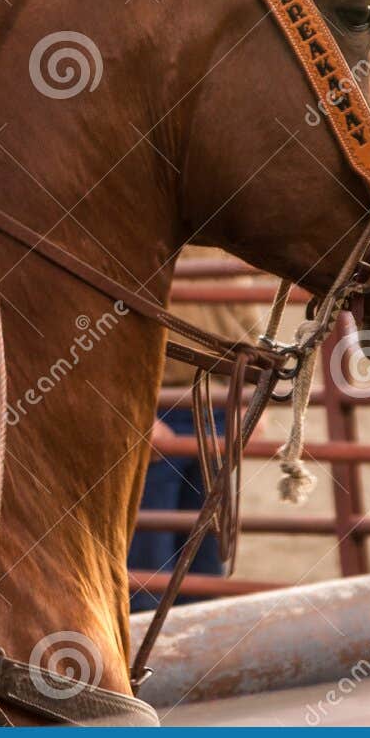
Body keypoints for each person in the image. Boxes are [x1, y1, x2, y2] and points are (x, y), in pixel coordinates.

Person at [129, 248, 263, 609]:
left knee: (204, 549)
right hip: (160, 402)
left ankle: (201, 649)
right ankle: (149, 656)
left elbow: (245, 316)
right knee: (149, 558)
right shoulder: (148, 236)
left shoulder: (219, 239)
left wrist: (250, 397)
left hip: (216, 403)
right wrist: (137, 412)